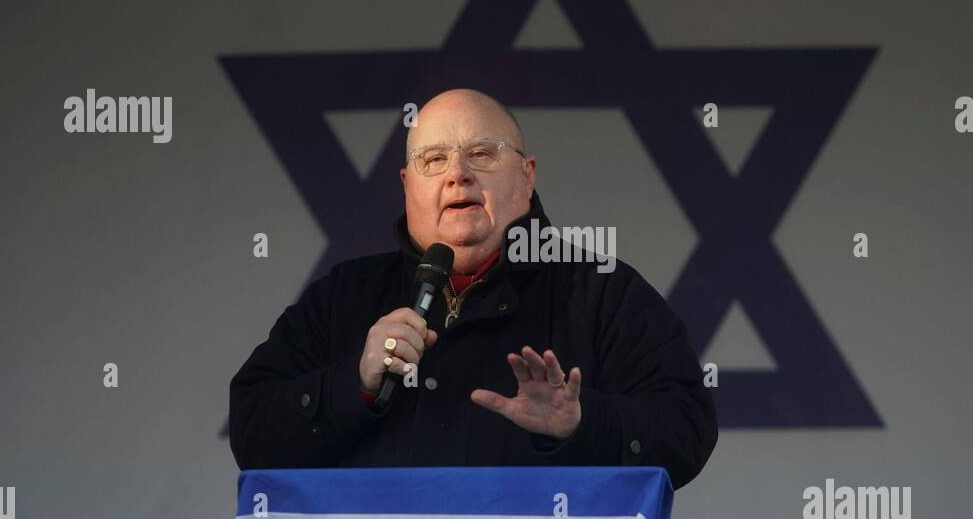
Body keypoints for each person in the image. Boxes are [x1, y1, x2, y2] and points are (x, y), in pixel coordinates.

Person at [228, 89, 717, 489]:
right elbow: (253, 435)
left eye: (481, 154)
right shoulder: (343, 296)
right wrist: (353, 385)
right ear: (406, 185)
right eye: (434, 159)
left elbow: (687, 430)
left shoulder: (602, 293)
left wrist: (582, 422)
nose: (457, 174)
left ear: (526, 177)